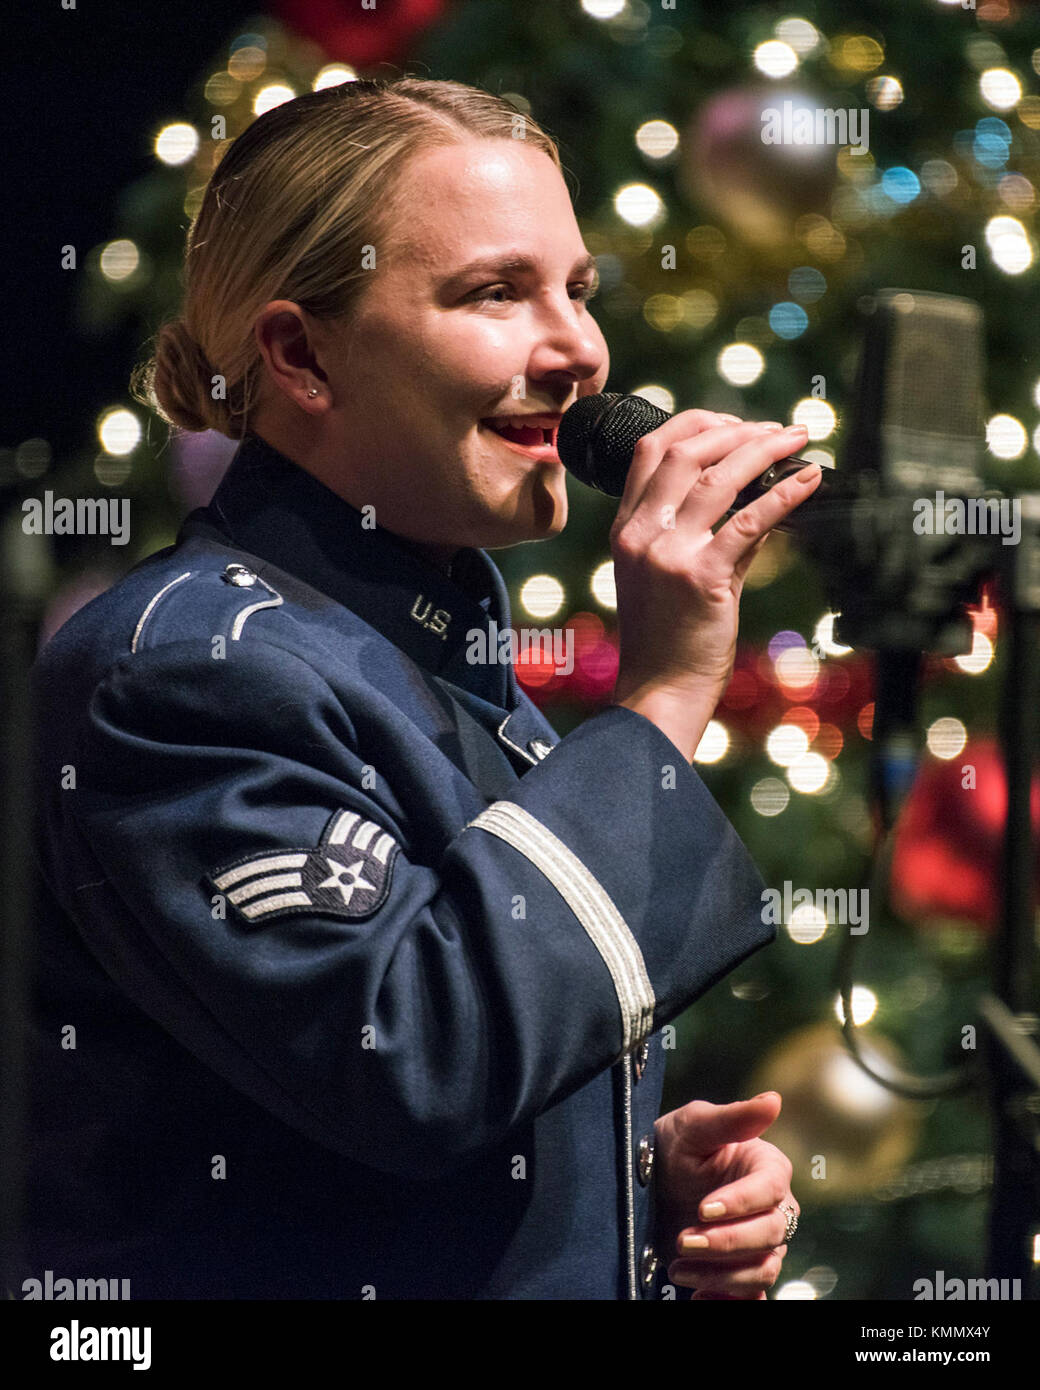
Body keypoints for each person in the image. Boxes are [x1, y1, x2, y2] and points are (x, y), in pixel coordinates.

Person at [17, 76, 815, 1301]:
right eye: (494, 293)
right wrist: (662, 695)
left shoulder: (447, 667)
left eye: (578, 291)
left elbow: (394, 1142)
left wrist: (627, 1207)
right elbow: (409, 1055)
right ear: (301, 354)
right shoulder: (181, 667)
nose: (579, 352)